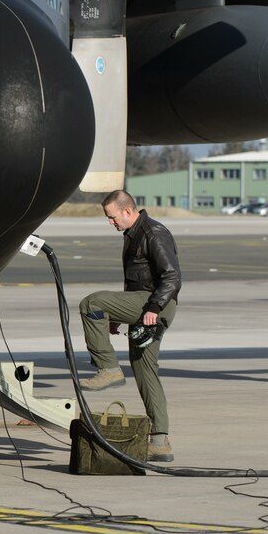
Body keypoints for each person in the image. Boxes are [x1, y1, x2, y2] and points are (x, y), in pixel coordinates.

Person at [78, 189, 180, 462]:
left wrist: (153, 308)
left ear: (127, 211)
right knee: (145, 369)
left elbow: (172, 276)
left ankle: (108, 368)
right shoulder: (133, 234)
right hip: (145, 304)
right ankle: (160, 441)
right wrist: (117, 318)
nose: (110, 223)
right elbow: (134, 283)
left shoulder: (153, 233)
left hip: (156, 303)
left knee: (91, 303)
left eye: (112, 217)